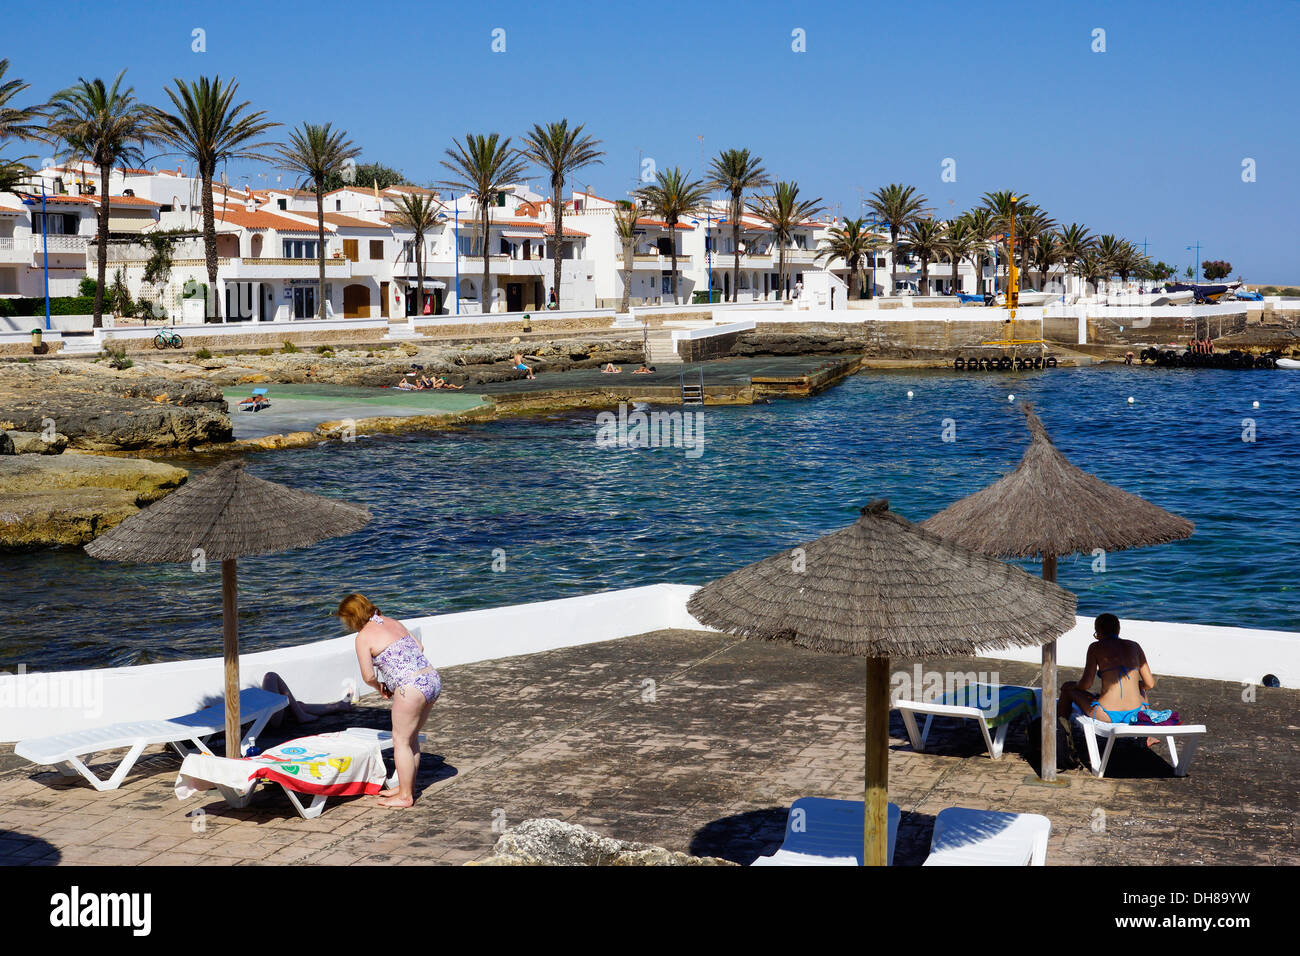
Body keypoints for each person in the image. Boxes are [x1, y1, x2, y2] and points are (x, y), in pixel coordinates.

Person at [341, 594, 441, 808]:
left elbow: (368, 676)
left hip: (410, 688)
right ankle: (407, 788)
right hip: (431, 678)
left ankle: (405, 797)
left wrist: (380, 686)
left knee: (401, 741)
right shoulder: (392, 622)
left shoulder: (363, 637)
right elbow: (419, 648)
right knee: (410, 738)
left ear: (352, 617)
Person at [1058, 613, 1177, 747]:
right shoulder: (1135, 646)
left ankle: (1060, 733)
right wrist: (1134, 685)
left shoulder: (1095, 647)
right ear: (1118, 629)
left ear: (1098, 632)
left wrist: (1074, 685)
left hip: (1106, 714)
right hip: (1137, 711)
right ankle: (1146, 736)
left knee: (1067, 689)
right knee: (1140, 687)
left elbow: (1086, 684)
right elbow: (1149, 684)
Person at [261, 672, 353, 730]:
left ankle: (341, 705)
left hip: (262, 719)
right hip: (263, 721)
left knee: (295, 707)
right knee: (271, 676)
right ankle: (300, 715)